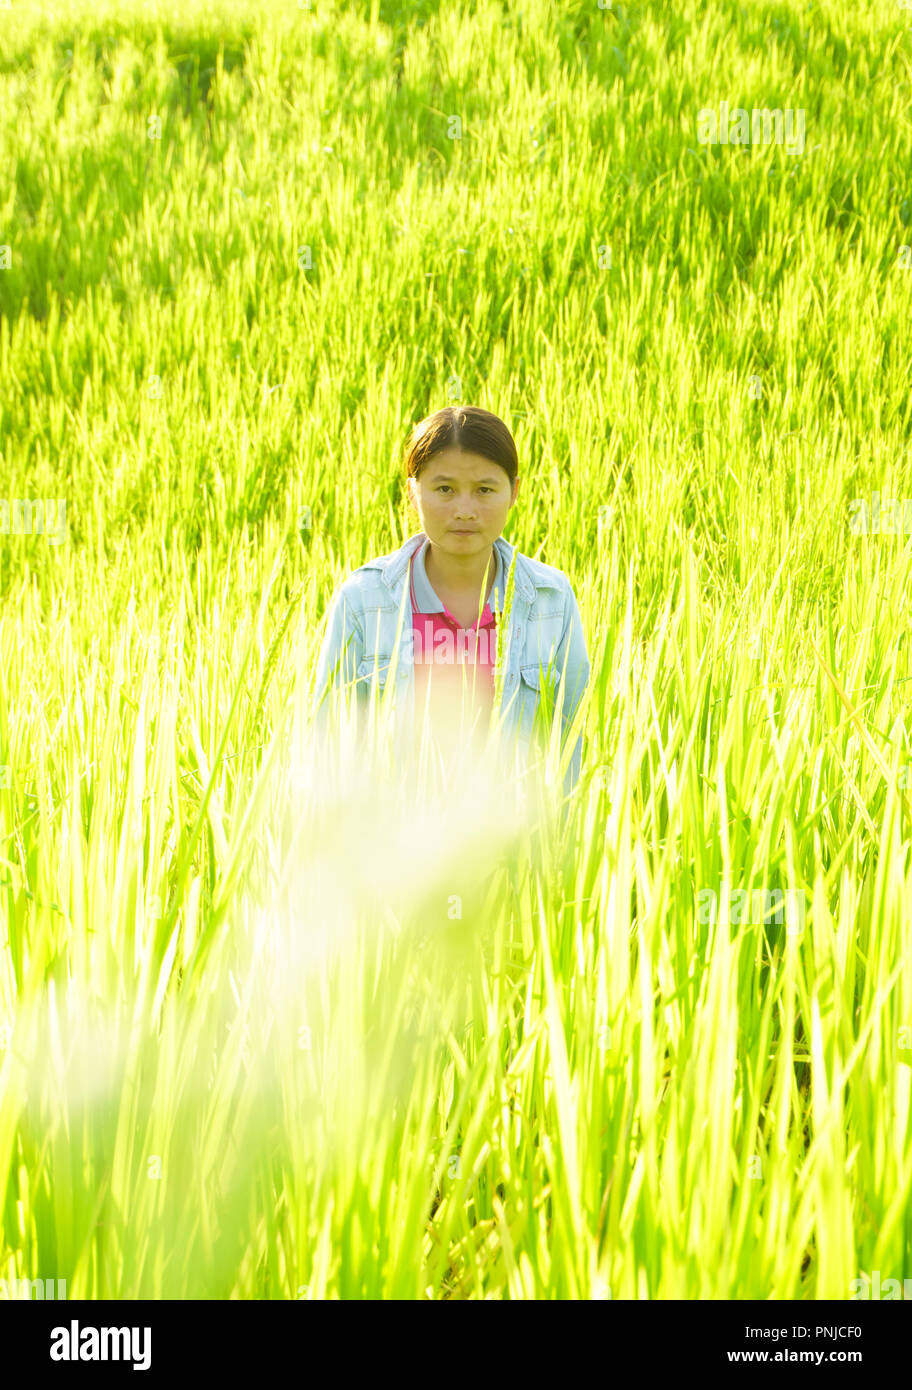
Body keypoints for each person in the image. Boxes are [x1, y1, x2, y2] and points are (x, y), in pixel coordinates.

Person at [313, 405, 590, 794]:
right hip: (398, 840)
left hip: (516, 836)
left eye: (484, 490)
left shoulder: (550, 599)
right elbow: (327, 739)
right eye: (444, 489)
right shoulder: (363, 600)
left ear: (514, 492)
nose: (464, 510)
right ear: (412, 492)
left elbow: (573, 737)